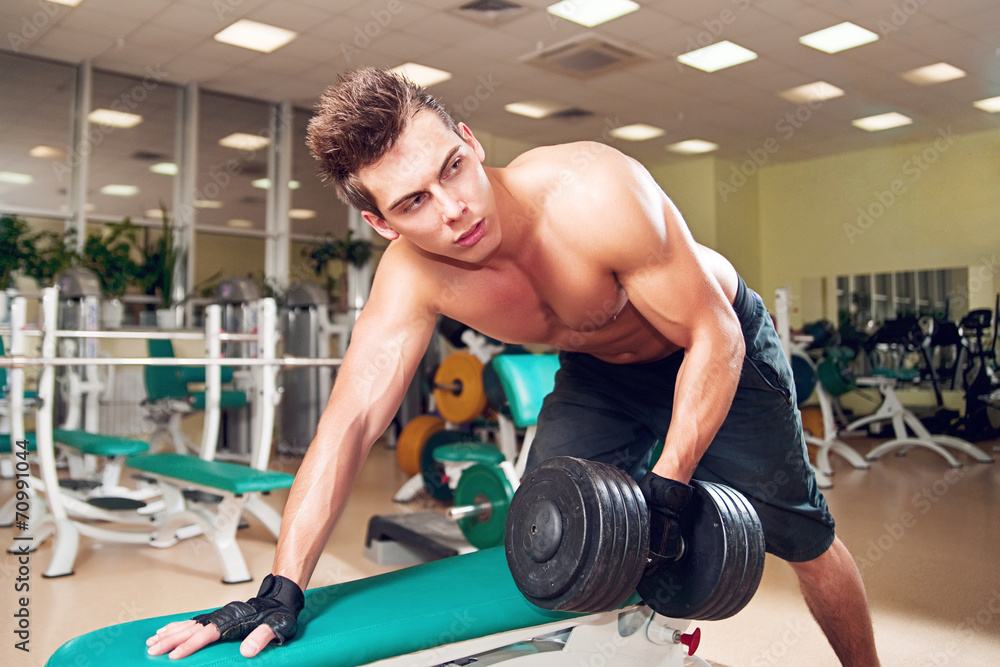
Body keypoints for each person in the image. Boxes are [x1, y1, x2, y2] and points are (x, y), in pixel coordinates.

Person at [146, 67, 879, 665]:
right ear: (381, 223)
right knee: (554, 537)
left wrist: (671, 484)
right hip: (600, 374)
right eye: (415, 202)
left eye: (453, 167)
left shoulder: (593, 193)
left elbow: (714, 337)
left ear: (469, 139)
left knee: (803, 541)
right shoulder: (413, 278)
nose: (455, 207)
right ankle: (663, 644)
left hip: (716, 341)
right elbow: (351, 421)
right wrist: (282, 585)